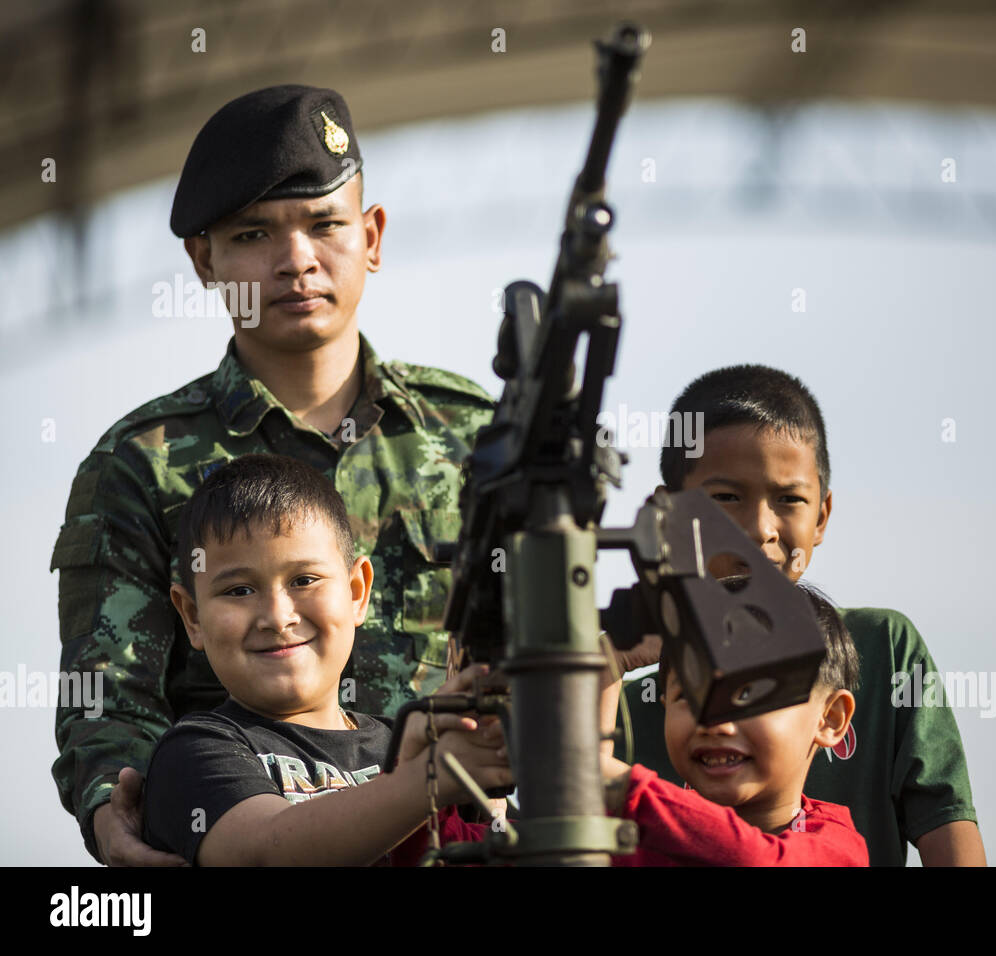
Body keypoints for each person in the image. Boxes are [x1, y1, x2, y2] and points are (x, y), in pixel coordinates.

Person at [50, 84, 495, 865]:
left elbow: (536, 657)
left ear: (372, 235)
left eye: (326, 225)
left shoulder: (476, 438)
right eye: (254, 234)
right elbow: (108, 698)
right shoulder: (140, 463)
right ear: (203, 260)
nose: (296, 261)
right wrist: (108, 815)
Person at [616, 364, 987, 866]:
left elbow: (948, 828)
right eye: (725, 498)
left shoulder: (881, 648)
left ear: (822, 517)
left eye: (789, 499)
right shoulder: (626, 689)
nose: (760, 529)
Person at [141, 454, 510, 865]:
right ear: (192, 616)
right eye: (239, 591)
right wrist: (427, 777)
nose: (278, 618)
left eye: (304, 580)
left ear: (357, 592)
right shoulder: (194, 754)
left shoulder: (408, 741)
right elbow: (269, 852)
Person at [427, 584, 867, 866]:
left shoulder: (834, 847)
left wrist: (610, 779)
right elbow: (451, 852)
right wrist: (431, 772)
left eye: (748, 695)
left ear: (830, 719)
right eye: (688, 695)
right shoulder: (636, 842)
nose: (713, 720)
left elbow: (751, 859)